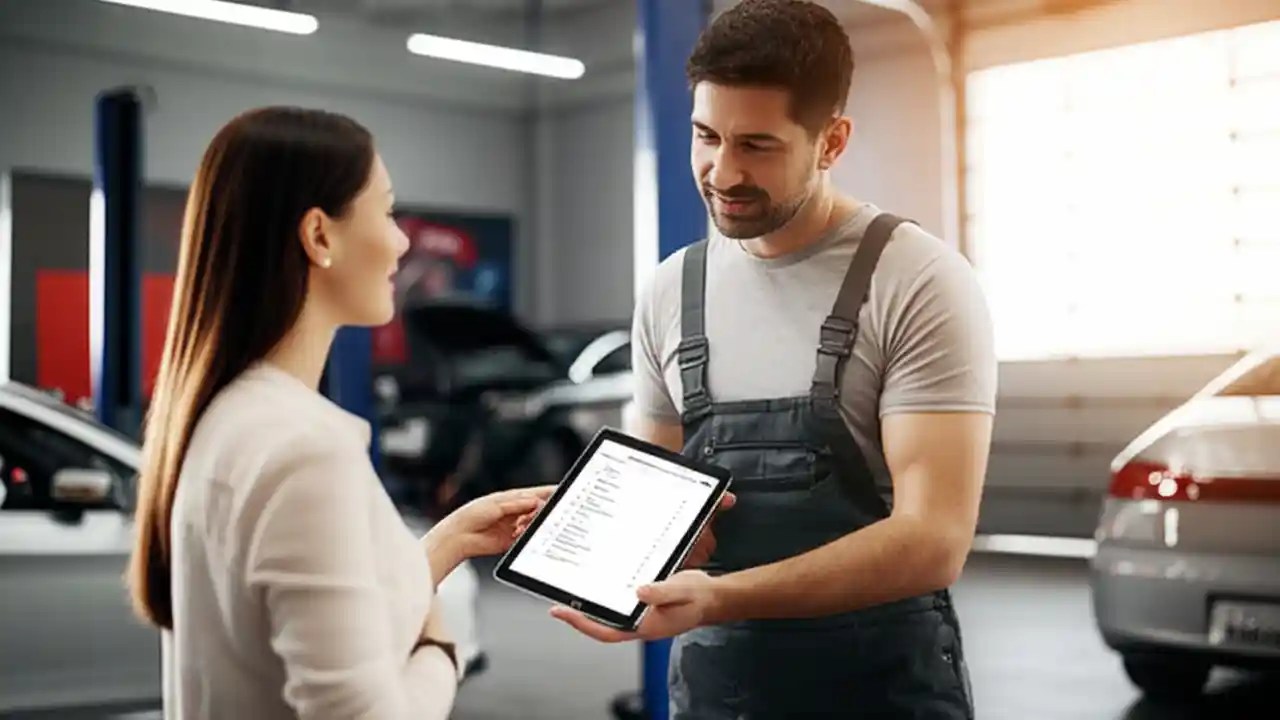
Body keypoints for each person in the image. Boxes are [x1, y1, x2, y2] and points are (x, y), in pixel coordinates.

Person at [550, 0, 997, 717]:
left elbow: (932, 540)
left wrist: (722, 596)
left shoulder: (916, 280)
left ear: (832, 141)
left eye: (757, 145)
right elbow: (650, 493)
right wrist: (593, 536)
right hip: (718, 686)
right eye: (706, 136)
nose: (722, 172)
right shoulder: (671, 291)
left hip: (882, 689)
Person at [126, 106, 550, 720]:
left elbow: (299, 623)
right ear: (320, 235)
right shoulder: (304, 448)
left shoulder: (219, 416)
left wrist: (449, 541)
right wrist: (440, 648)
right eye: (386, 210)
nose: (402, 240)